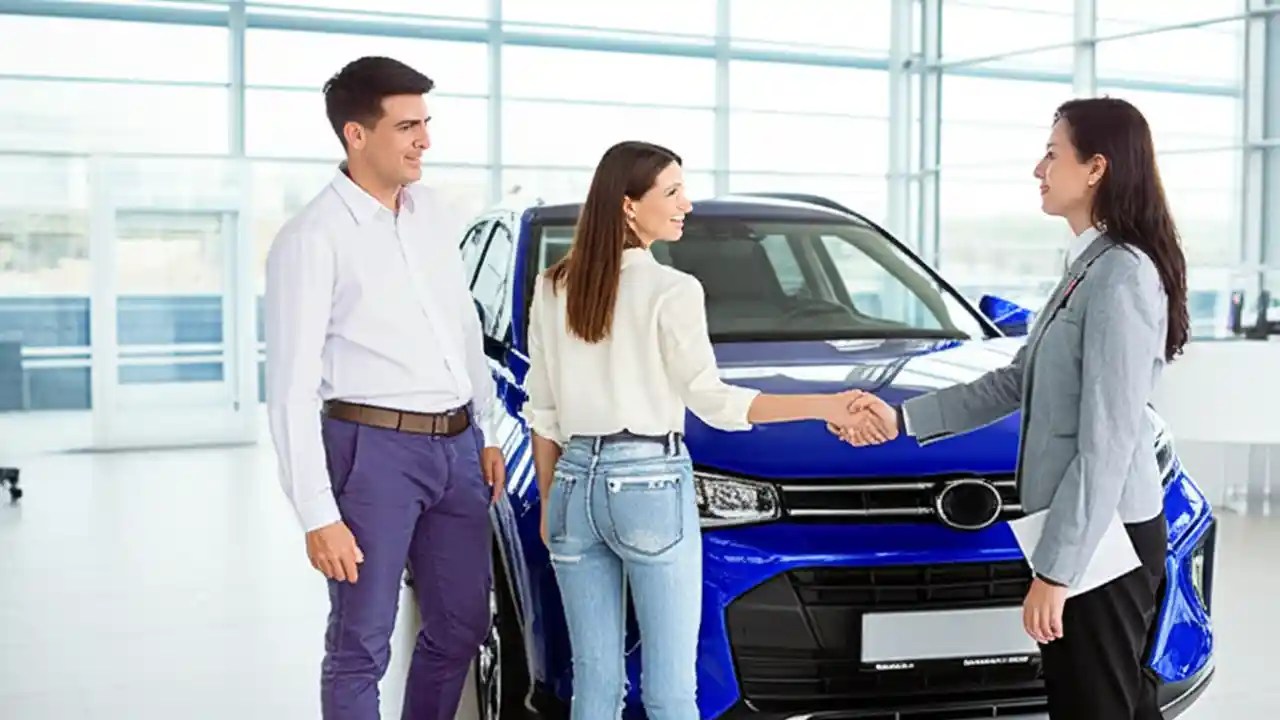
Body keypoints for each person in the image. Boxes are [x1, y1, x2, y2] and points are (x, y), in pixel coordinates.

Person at [834, 97, 1188, 720]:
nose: (1038, 169)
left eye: (1053, 154)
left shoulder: (1123, 275)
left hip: (1103, 536)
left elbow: (1106, 444)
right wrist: (903, 420)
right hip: (1083, 527)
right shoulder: (1089, 267)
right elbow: (1017, 379)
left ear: (1097, 168)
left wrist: (1057, 573)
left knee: (1094, 705)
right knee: (1115, 702)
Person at [520, 140, 867, 720]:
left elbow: (544, 410)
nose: (687, 204)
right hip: (650, 485)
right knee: (671, 688)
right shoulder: (672, 290)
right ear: (629, 205)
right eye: (673, 191)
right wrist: (825, 405)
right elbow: (714, 402)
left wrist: (552, 499)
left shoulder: (553, 286)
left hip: (574, 487)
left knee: (595, 684)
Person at [263, 56, 506, 720]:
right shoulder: (312, 238)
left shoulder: (432, 214)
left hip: (458, 445)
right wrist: (318, 515)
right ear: (356, 134)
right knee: (360, 647)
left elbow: (462, 326)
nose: (425, 140)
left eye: (425, 123)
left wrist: (484, 430)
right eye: (407, 126)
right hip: (372, 454)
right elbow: (289, 391)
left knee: (462, 626)